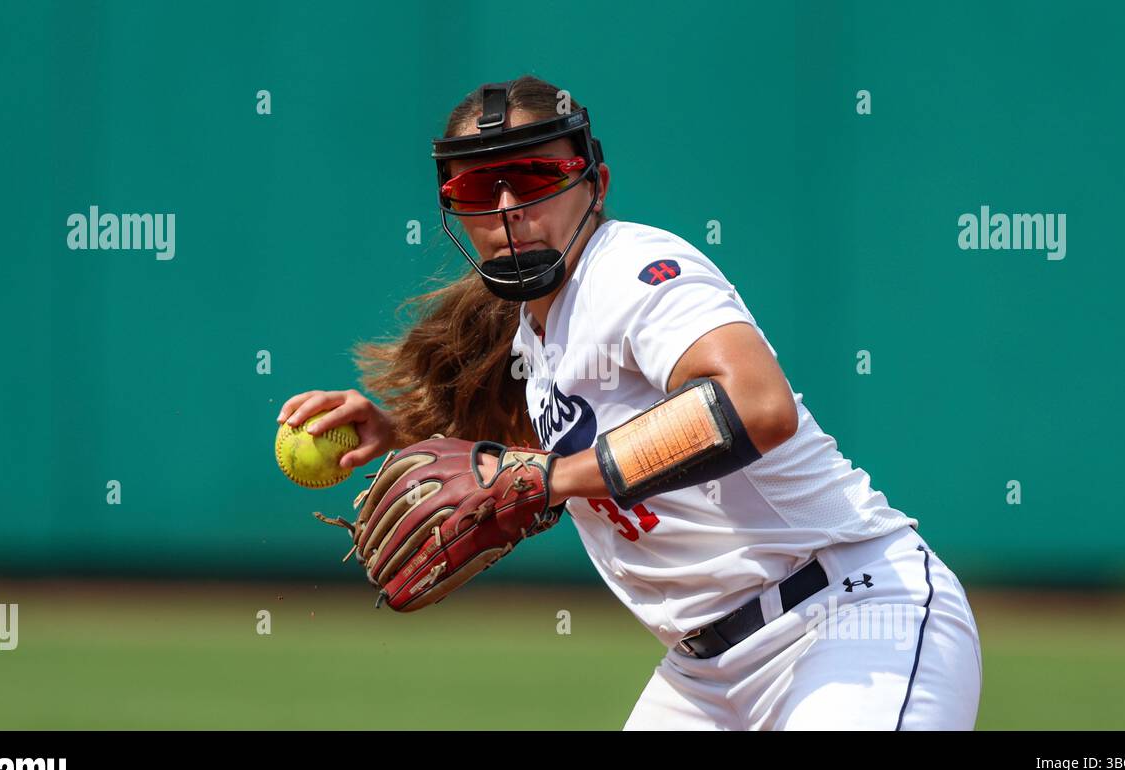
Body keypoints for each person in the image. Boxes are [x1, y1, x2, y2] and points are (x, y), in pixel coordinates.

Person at [277, 76, 982, 730]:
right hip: (705, 673)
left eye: (532, 176)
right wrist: (398, 430)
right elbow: (552, 437)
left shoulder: (635, 271)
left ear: (595, 181)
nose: (507, 208)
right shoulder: (535, 330)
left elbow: (759, 405)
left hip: (848, 616)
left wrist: (549, 479)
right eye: (476, 186)